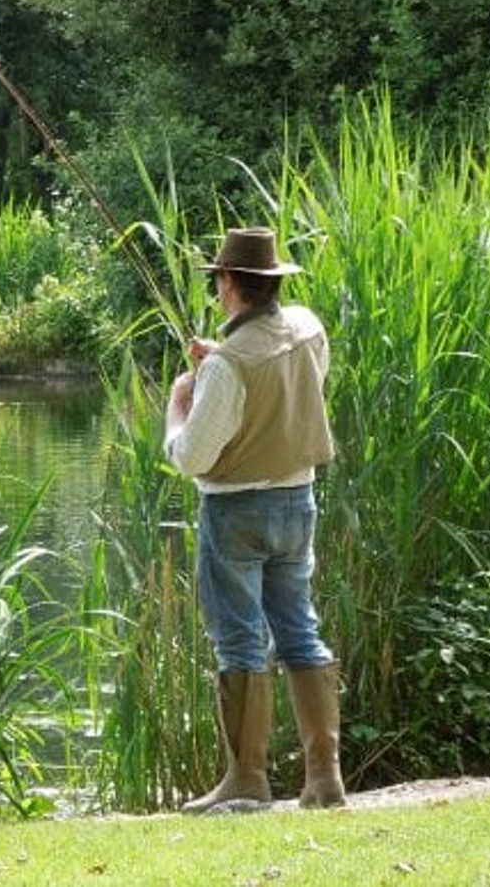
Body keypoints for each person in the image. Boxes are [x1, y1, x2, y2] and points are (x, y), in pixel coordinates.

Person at [164, 226, 346, 813]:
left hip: (235, 510)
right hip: (299, 502)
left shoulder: (228, 367)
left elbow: (192, 456)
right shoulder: (307, 328)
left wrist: (178, 405)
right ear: (271, 283)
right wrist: (217, 364)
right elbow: (287, 381)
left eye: (218, 279)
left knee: (240, 637)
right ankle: (324, 780)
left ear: (227, 284)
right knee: (300, 628)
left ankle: (247, 778)